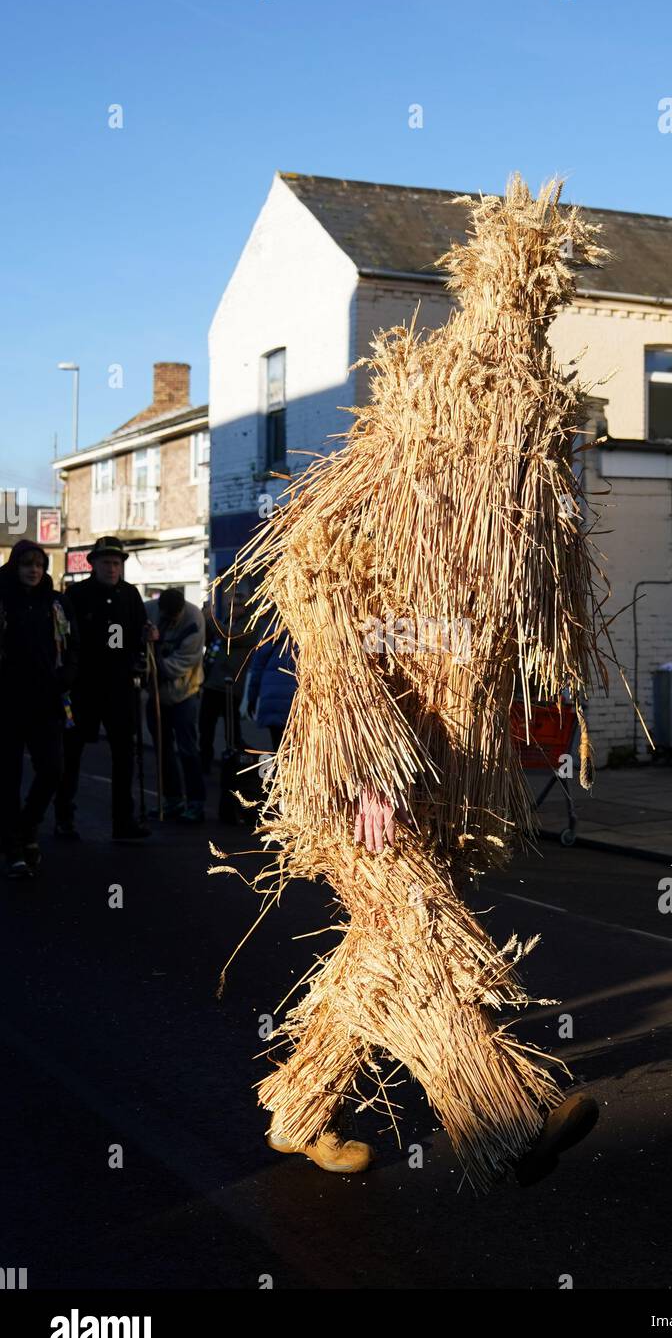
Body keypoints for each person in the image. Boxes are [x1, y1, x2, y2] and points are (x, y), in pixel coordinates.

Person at [224, 175, 606, 1190]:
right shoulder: (403, 458)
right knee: (424, 939)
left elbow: (524, 621)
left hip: (440, 767)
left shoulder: (523, 463)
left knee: (379, 951)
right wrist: (364, 763)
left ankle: (298, 1107)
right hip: (362, 777)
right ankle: (499, 1120)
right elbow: (314, 587)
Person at [54, 536, 150, 842]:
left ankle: (124, 822)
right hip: (83, 687)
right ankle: (63, 818)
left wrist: (148, 638)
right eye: (106, 562)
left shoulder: (130, 595)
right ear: (92, 564)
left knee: (124, 755)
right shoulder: (76, 595)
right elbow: (64, 639)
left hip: (120, 687)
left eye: (117, 563)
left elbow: (137, 635)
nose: (112, 568)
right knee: (71, 754)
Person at [0, 540, 79, 877]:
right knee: (7, 779)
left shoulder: (57, 603)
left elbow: (75, 646)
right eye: (26, 564)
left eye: (38, 564)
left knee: (52, 770)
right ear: (14, 567)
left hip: (47, 702)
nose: (33, 570)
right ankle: (13, 848)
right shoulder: (3, 600)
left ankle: (26, 827)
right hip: (6, 703)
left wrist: (67, 676)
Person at [145, 588, 206, 823]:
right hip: (157, 695)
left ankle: (196, 802)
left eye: (174, 617)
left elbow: (184, 661)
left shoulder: (193, 618)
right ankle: (172, 799)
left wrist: (152, 668)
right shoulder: (148, 611)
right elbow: (120, 635)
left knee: (188, 749)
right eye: (166, 616)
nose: (170, 621)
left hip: (184, 694)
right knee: (162, 750)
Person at [199, 587, 257, 771]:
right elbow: (210, 639)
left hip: (230, 686)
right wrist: (204, 620)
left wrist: (210, 618)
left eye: (237, 606)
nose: (233, 609)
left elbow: (229, 635)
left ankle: (236, 764)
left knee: (231, 731)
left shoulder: (250, 626)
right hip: (212, 684)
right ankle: (205, 762)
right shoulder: (225, 621)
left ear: (246, 608)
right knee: (205, 726)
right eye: (230, 605)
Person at [246, 634, 297, 750]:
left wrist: (252, 698)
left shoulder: (271, 635)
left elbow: (257, 669)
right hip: (294, 702)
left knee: (278, 747)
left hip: (271, 699)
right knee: (295, 750)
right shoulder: (308, 637)